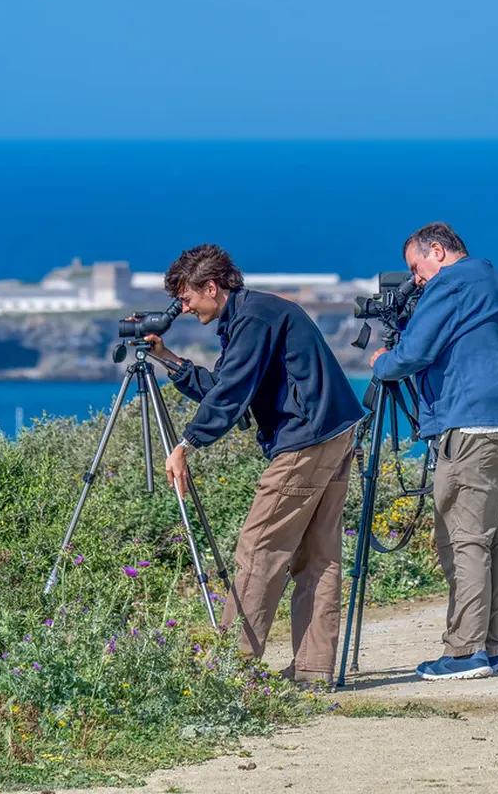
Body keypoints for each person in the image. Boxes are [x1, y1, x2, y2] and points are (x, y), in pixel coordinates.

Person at [148, 243, 364, 685]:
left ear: (212, 287)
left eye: (187, 298)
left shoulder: (253, 319)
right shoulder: (255, 315)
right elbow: (228, 388)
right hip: (334, 432)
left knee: (259, 548)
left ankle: (232, 671)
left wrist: (186, 444)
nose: (184, 308)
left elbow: (229, 396)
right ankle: (312, 671)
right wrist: (169, 359)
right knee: (318, 556)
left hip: (306, 439)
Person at [370, 222, 498, 680]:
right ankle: (496, 644)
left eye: (416, 267)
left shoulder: (450, 285)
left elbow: (412, 354)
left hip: (472, 425)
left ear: (440, 252)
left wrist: (382, 363)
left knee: (463, 540)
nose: (415, 280)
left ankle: (464, 652)